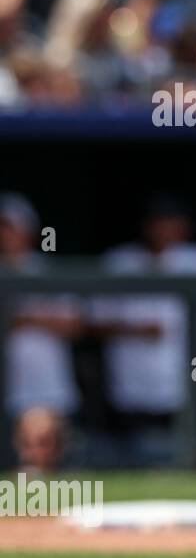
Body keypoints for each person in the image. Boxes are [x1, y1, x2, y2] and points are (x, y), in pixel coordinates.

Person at [92, 196, 196, 466]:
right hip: (130, 385)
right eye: (159, 223)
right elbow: (90, 321)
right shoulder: (120, 261)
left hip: (185, 382)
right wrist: (136, 330)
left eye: (171, 223)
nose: (165, 230)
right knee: (131, 457)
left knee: (183, 451)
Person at [0, 194, 81, 474]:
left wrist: (22, 319)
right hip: (9, 389)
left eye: (9, 227)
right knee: (16, 469)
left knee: (55, 463)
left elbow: (73, 325)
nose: (4, 235)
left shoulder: (48, 270)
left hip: (50, 386)